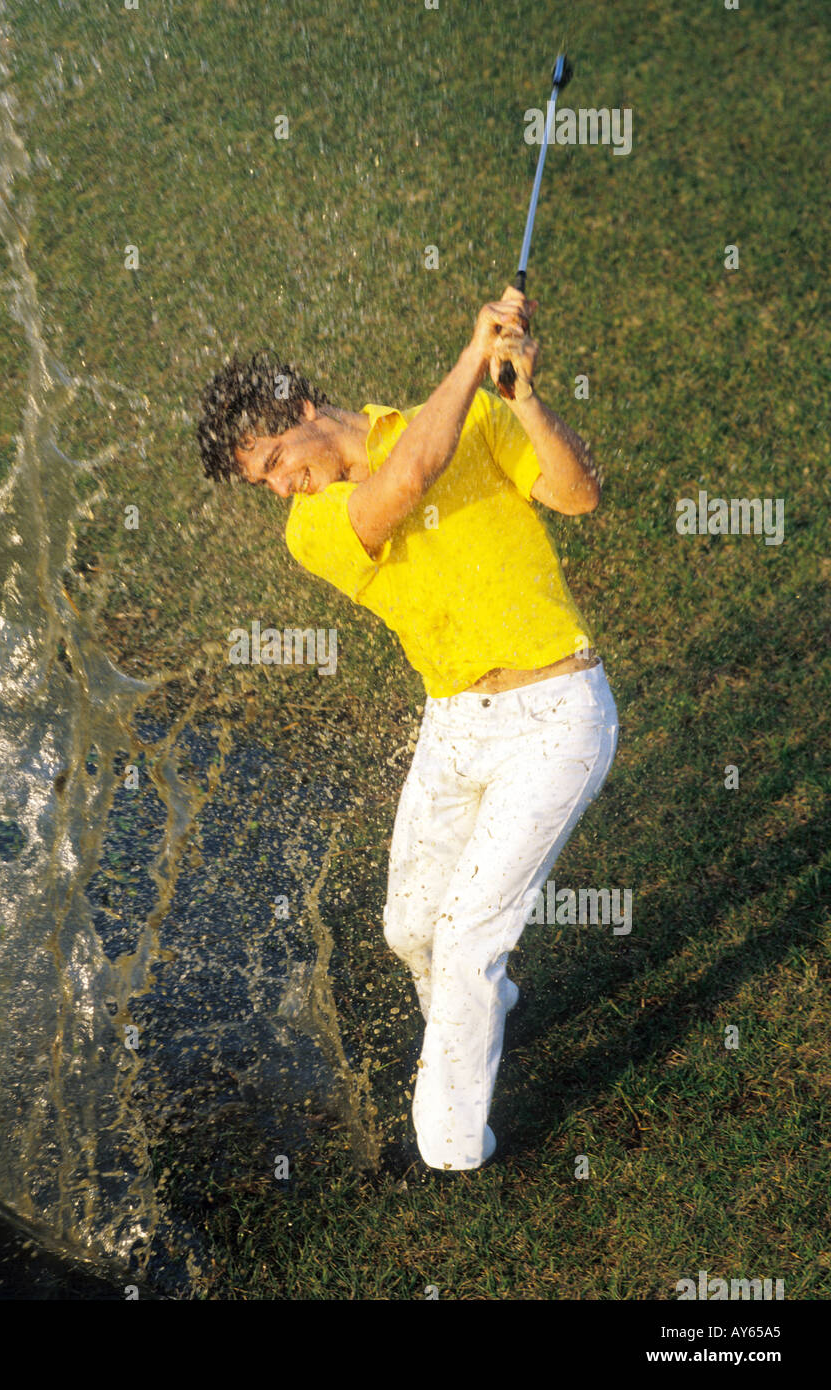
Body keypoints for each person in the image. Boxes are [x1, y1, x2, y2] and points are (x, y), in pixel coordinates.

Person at [195, 287, 619, 1171]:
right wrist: (472, 357)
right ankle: (483, 1015)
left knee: (467, 936)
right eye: (262, 480)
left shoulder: (463, 420)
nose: (279, 485)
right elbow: (407, 481)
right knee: (410, 926)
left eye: (276, 459)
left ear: (306, 412)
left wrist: (522, 398)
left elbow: (580, 495)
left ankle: (451, 1150)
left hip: (558, 715)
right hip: (455, 720)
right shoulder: (313, 525)